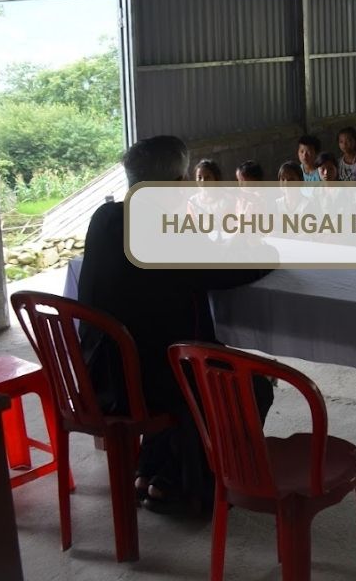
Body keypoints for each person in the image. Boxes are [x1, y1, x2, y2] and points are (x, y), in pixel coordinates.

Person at [78, 136, 273, 514]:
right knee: (247, 387)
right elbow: (239, 268)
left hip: (98, 374)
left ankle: (153, 471)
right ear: (178, 182)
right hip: (144, 383)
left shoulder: (103, 219)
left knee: (170, 356)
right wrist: (267, 250)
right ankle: (193, 487)